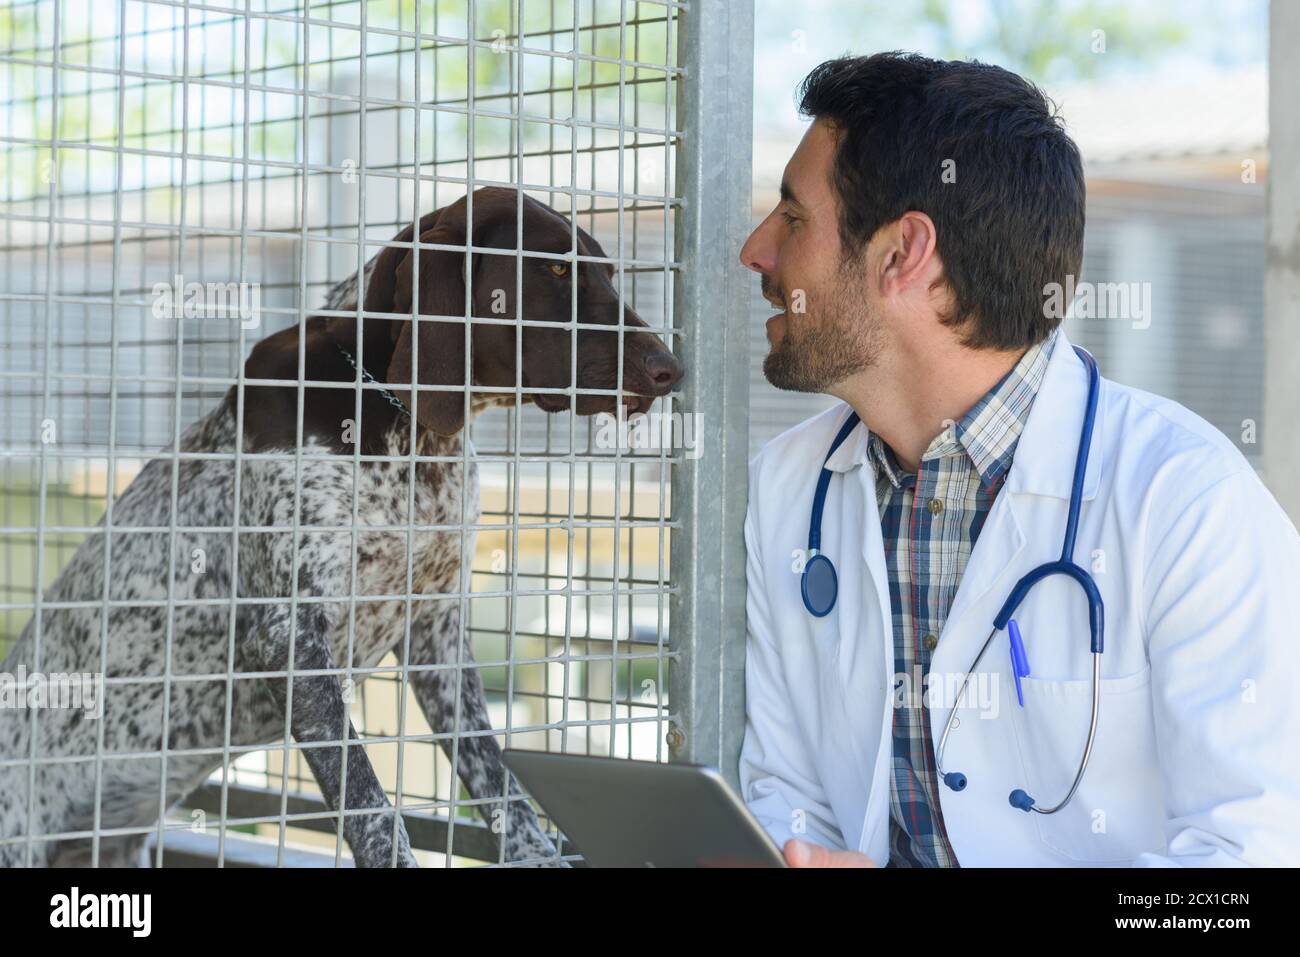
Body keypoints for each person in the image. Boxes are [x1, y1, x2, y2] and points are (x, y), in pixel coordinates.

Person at [737, 52, 1300, 867]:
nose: (757, 251)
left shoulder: (1189, 504)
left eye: (793, 217)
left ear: (904, 253)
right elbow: (786, 798)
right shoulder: (790, 487)